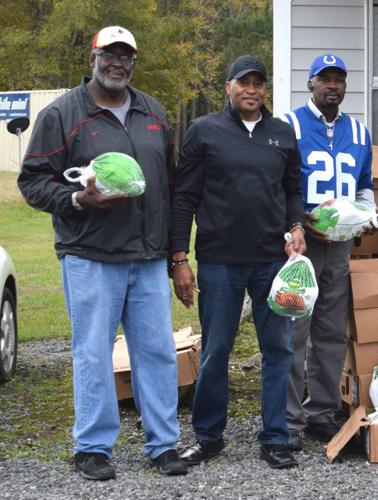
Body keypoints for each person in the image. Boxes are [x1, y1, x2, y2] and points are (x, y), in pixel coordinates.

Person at [17, 26, 188, 480]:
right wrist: (77, 200)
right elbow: (32, 182)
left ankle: (163, 444)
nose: (117, 63)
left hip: (148, 256)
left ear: (134, 62)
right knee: (92, 352)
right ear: (93, 58)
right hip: (90, 255)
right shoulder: (63, 113)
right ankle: (92, 447)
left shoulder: (153, 111)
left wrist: (176, 255)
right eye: (108, 54)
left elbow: (169, 189)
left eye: (125, 56)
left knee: (157, 352)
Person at [170, 55, 307, 470]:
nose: (251, 89)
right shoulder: (204, 131)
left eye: (258, 83)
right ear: (228, 86)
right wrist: (179, 257)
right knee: (215, 350)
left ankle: (275, 437)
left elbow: (292, 190)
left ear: (265, 89)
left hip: (271, 262)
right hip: (220, 261)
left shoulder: (281, 134)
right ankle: (209, 436)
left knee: (278, 349)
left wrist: (297, 225)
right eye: (243, 82)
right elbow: (184, 197)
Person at [279, 54, 374, 449]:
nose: (332, 86)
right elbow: (280, 183)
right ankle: (286, 418)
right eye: (324, 79)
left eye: (339, 79)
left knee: (331, 332)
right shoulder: (289, 124)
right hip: (299, 243)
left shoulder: (359, 130)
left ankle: (322, 411)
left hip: (338, 246)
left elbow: (365, 185)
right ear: (310, 84)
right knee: (292, 329)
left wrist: (366, 215)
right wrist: (293, 225)